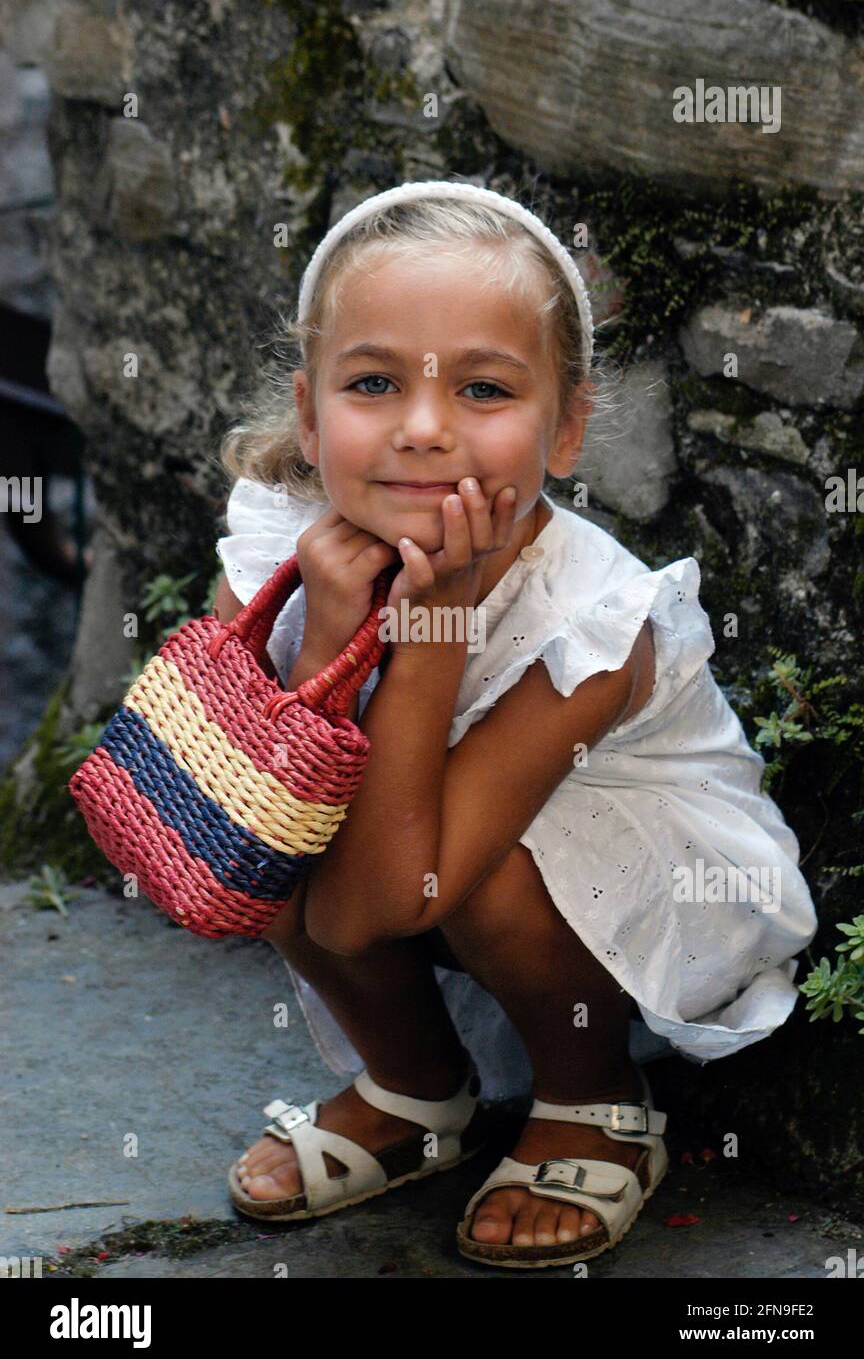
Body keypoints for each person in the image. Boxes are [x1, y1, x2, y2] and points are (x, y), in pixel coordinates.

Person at [211, 181, 818, 1270]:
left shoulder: (592, 627)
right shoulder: (275, 551)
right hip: (405, 851)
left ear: (568, 424)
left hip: (625, 877)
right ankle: (415, 1085)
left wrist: (435, 625)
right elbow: (266, 816)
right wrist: (328, 635)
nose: (426, 427)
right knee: (261, 825)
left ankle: (594, 1099)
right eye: (373, 383)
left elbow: (383, 905)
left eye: (485, 387)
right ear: (309, 415)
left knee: (480, 873)